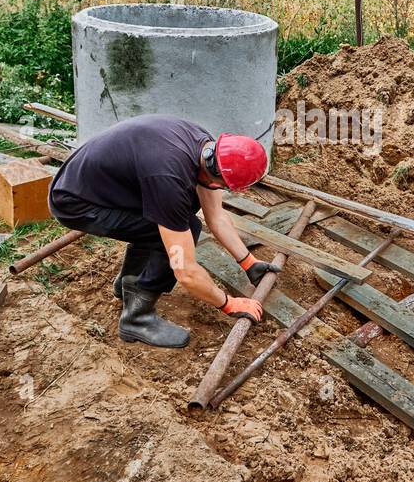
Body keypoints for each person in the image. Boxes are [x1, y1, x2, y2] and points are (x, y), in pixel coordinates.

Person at [48, 114, 277, 348]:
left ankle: (128, 283)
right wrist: (228, 303)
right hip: (76, 203)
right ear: (219, 178)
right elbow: (185, 271)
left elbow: (216, 216)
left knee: (179, 223)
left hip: (100, 185)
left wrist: (249, 262)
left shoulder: (208, 149)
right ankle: (136, 319)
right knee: (173, 231)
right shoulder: (169, 178)